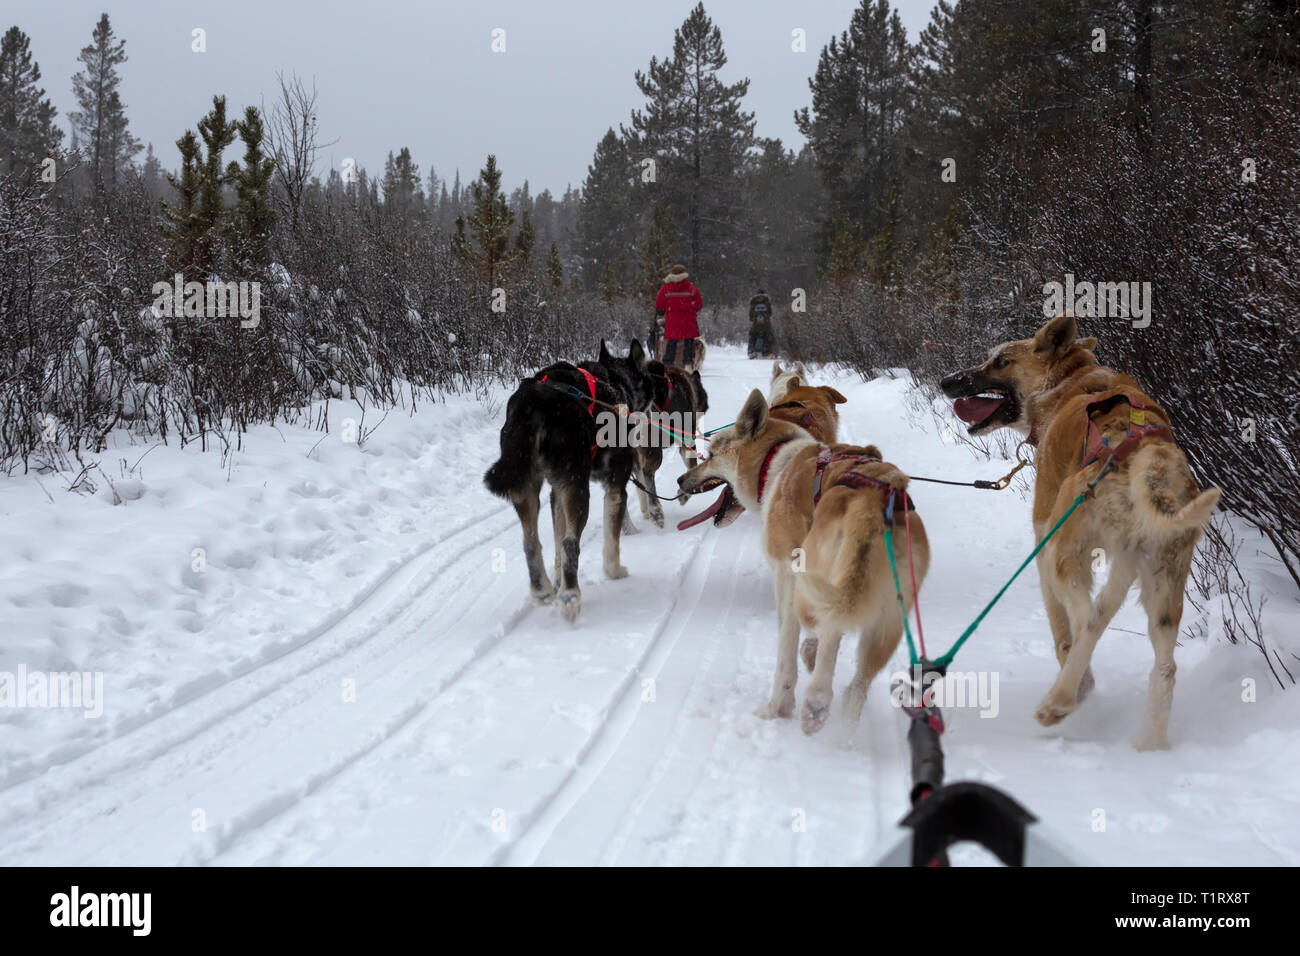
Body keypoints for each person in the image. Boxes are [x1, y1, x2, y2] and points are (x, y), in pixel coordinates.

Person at [655, 263, 703, 370]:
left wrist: (665, 312)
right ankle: (688, 367)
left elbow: (659, 305)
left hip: (672, 322)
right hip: (688, 322)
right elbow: (699, 305)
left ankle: (667, 367)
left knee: (671, 345)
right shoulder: (691, 288)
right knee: (689, 345)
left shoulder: (665, 289)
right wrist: (691, 309)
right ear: (684, 274)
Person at [747, 288, 776, 359]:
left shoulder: (753, 302)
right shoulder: (767, 302)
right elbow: (770, 313)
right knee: (768, 336)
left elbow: (750, 316)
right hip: (766, 325)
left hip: (755, 325)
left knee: (752, 336)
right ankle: (767, 352)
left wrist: (754, 319)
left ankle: (751, 352)